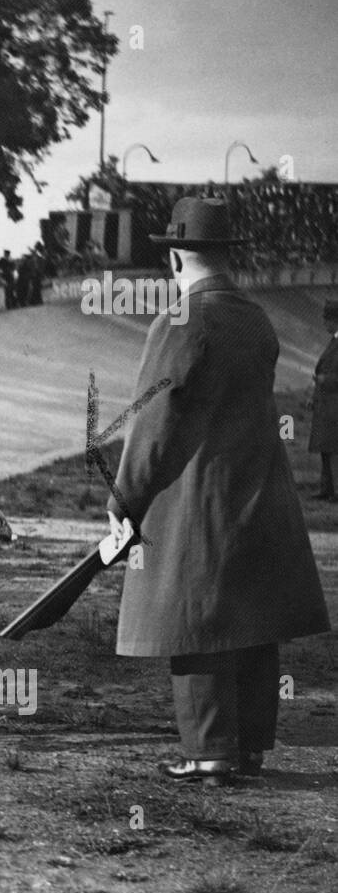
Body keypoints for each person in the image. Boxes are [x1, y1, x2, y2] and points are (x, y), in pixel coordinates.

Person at [106, 196, 329, 784]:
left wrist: (124, 499)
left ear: (177, 258)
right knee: (251, 617)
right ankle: (250, 746)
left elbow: (155, 421)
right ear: (225, 255)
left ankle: (208, 752)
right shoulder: (255, 318)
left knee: (195, 616)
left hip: (199, 493)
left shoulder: (180, 321)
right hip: (262, 486)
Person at [307, 299, 338, 499]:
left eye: (327, 319)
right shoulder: (334, 341)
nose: (324, 323)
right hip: (327, 403)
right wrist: (314, 396)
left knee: (334, 450)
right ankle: (327, 488)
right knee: (326, 449)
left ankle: (335, 490)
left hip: (334, 404)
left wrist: (325, 379)